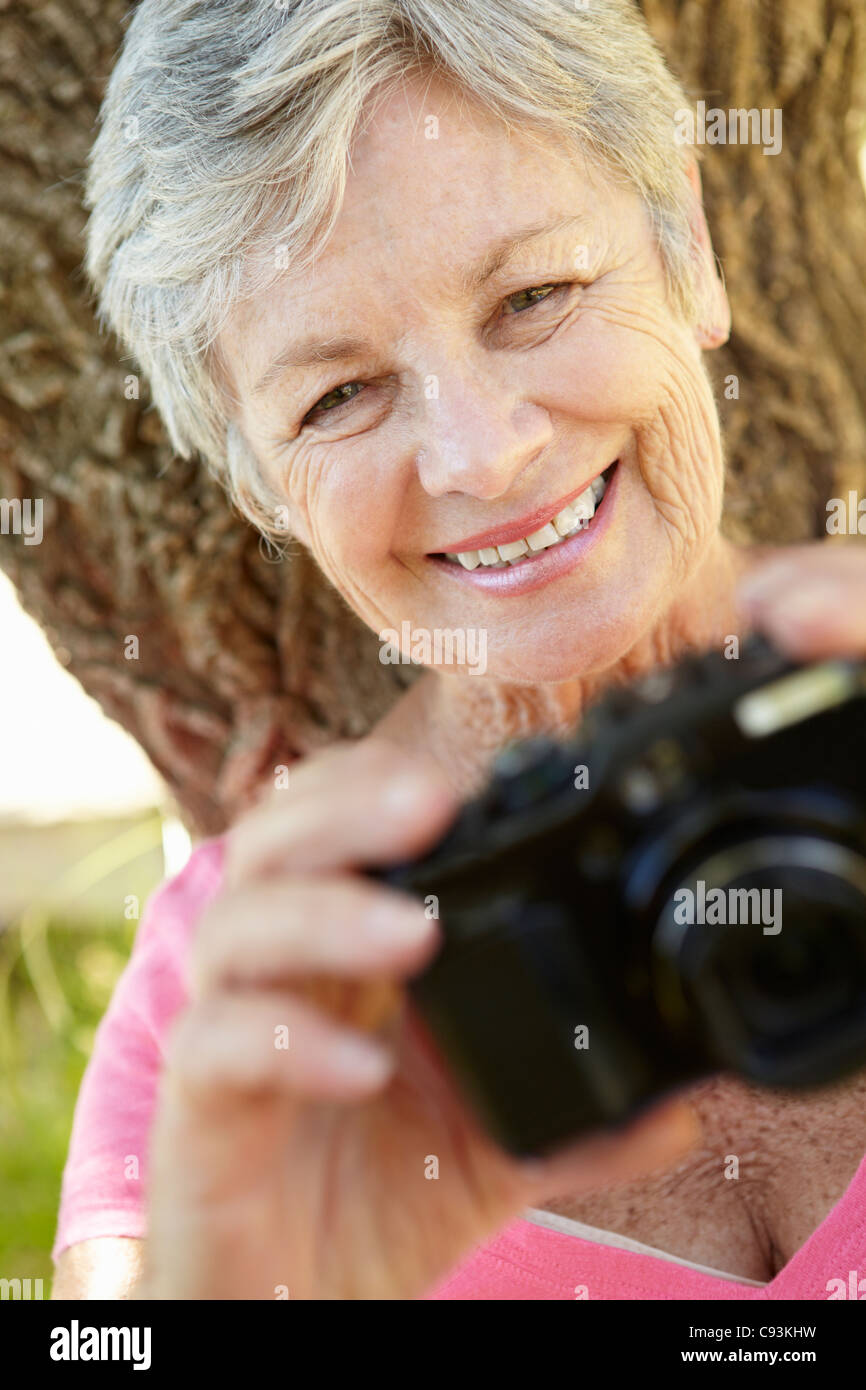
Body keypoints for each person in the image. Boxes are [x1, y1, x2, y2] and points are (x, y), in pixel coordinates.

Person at [52, 0, 866, 1299]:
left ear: (688, 253)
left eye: (534, 294)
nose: (481, 450)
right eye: (338, 394)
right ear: (259, 480)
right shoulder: (234, 1014)